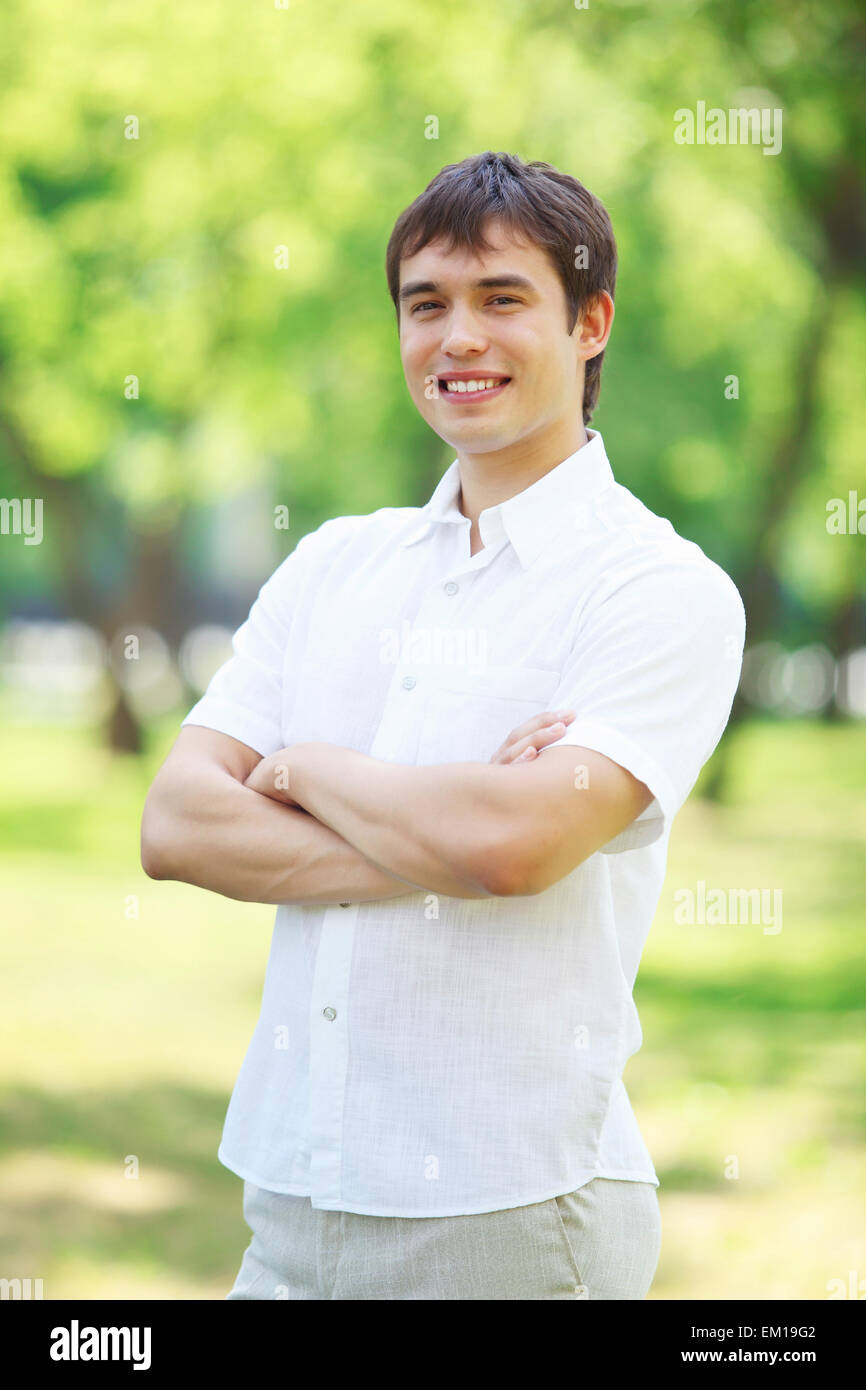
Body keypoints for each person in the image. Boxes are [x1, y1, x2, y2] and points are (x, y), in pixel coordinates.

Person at [141, 150, 745, 1300]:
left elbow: (514, 847)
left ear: (590, 323)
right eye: (427, 305)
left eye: (501, 298)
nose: (457, 337)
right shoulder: (333, 566)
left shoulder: (657, 589)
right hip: (287, 1198)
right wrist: (449, 820)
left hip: (503, 1217)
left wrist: (304, 767)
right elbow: (174, 825)